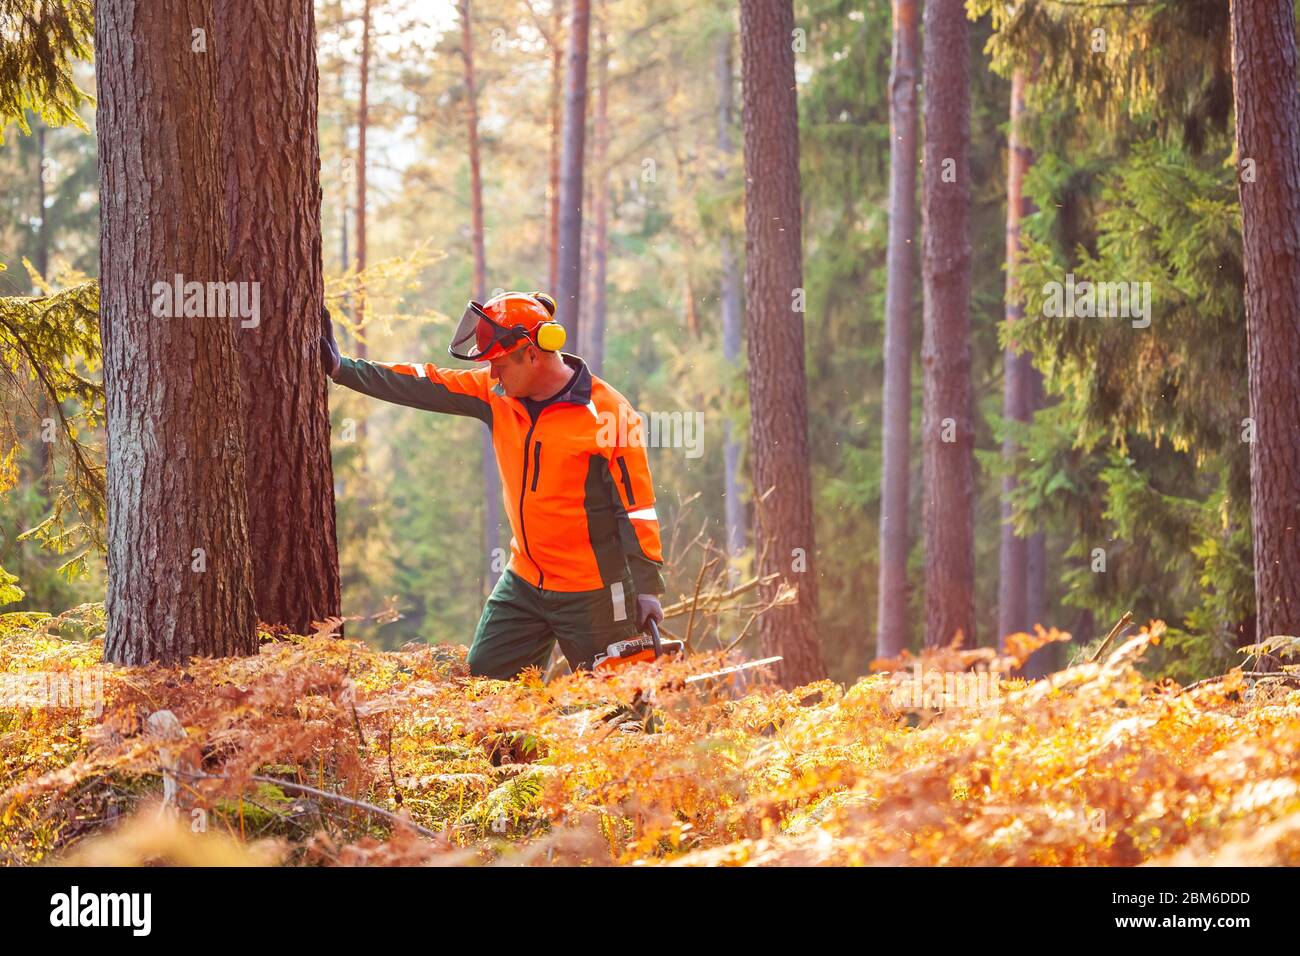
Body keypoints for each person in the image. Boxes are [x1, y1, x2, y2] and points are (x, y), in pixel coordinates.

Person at [320, 290, 666, 679]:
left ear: (533, 354)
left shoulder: (608, 415)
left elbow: (636, 508)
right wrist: (342, 369)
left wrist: (648, 587)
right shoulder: (497, 394)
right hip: (525, 581)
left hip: (596, 593)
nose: (493, 375)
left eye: (499, 364)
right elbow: (426, 381)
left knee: (619, 711)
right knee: (486, 682)